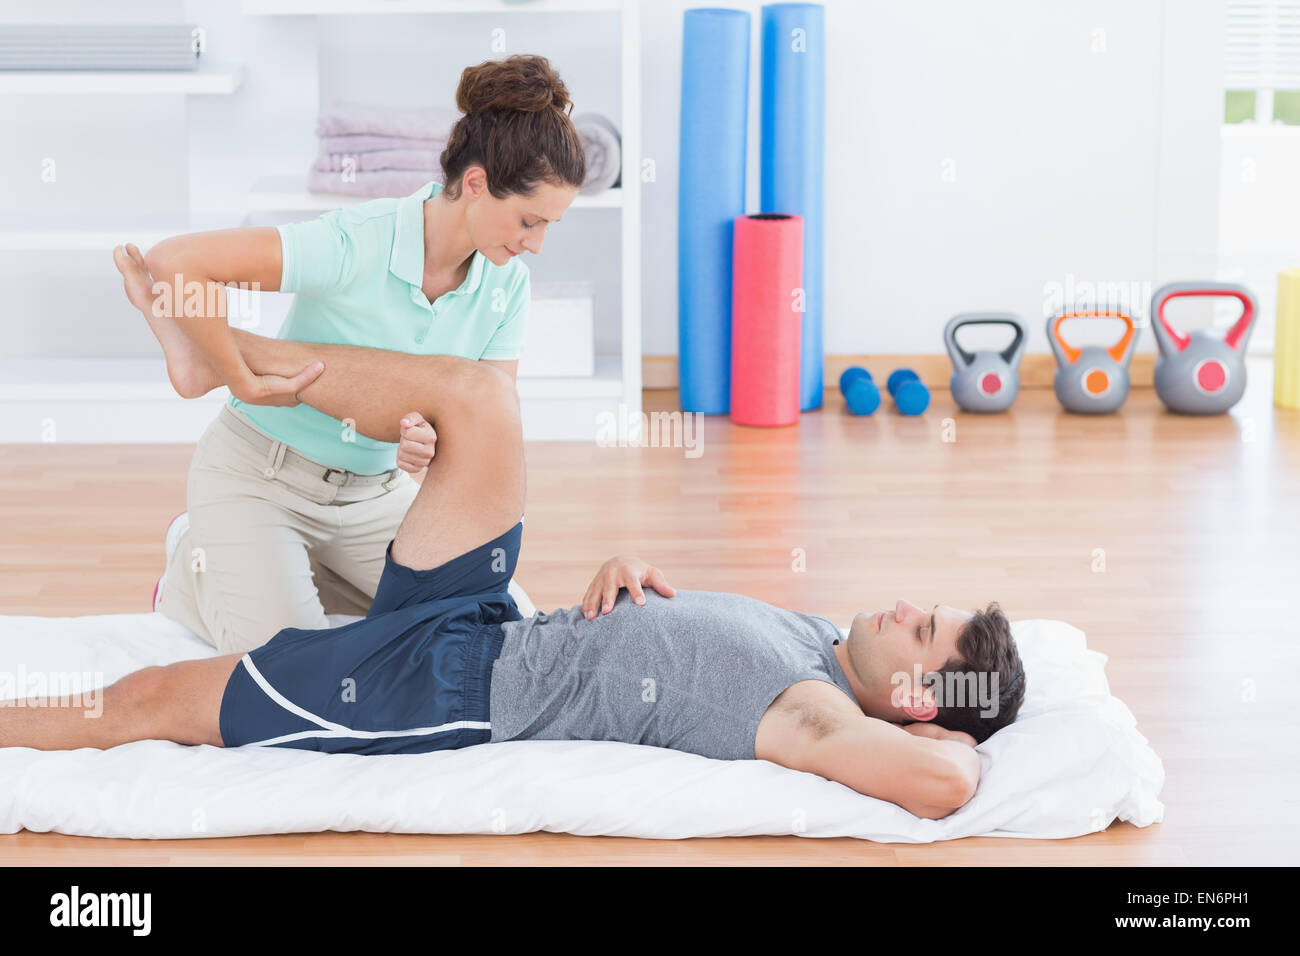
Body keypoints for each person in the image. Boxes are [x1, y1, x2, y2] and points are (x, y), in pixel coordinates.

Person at [0, 312, 1026, 821]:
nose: (904, 608)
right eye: (926, 609)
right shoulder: (814, 638)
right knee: (479, 400)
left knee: (143, 698)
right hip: (489, 617)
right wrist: (626, 565)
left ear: (921, 700)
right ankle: (229, 358)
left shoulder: (822, 715)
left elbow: (939, 783)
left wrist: (964, 732)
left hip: (436, 687)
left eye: (924, 632)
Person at [110, 53, 586, 656]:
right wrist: (242, 379)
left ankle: (202, 366)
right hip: (262, 476)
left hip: (375, 494)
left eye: (549, 227)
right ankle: (193, 572)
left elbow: (480, 425)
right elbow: (174, 264)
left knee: (488, 635)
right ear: (475, 183)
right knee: (293, 671)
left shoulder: (506, 286)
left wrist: (430, 447)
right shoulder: (354, 243)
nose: (537, 244)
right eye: (529, 220)